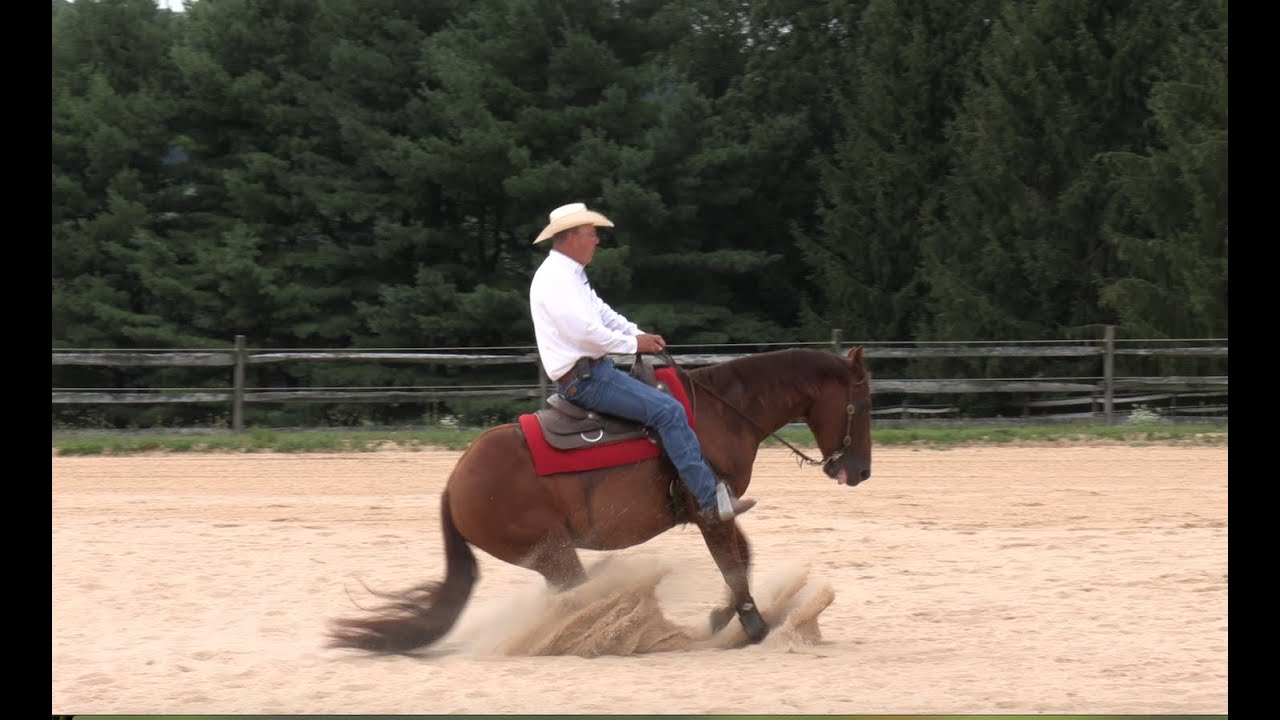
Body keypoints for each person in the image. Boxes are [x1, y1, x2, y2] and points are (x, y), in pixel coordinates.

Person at [528, 202, 756, 524]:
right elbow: (586, 334)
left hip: (595, 371)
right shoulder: (555, 279)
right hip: (587, 380)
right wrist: (634, 344)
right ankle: (709, 501)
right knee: (669, 411)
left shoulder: (570, 276)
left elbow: (603, 313)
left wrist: (637, 333)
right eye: (591, 234)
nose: (596, 241)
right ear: (569, 237)